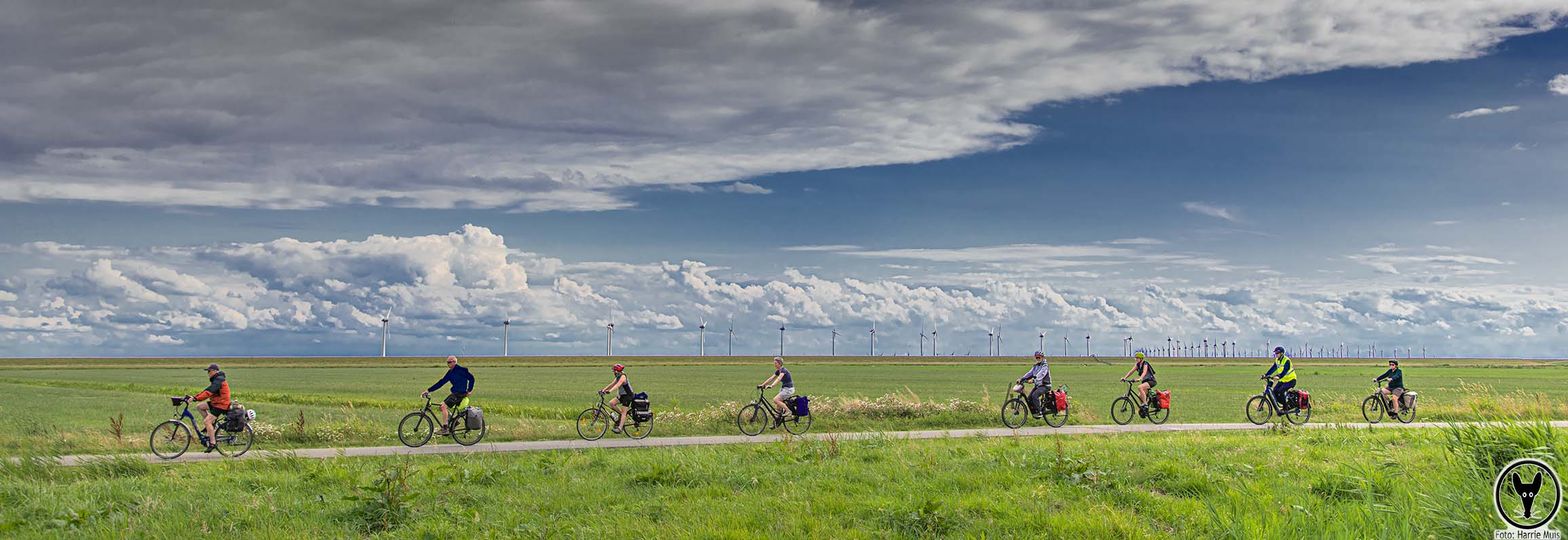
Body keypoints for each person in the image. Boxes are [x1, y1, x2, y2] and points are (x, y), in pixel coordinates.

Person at [421, 355, 474, 435]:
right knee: (441, 406)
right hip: (455, 393)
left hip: (460, 393)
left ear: (454, 362)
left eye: (449, 362)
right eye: (447, 362)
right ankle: (453, 422)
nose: (447, 364)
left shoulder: (462, 370)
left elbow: (472, 378)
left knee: (443, 406)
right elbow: (441, 382)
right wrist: (428, 390)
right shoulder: (450, 372)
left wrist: (469, 390)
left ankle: (445, 428)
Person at [187, 363, 230, 453]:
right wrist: (195, 397)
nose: (208, 373)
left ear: (214, 371)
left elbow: (209, 392)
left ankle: (212, 443)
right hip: (216, 402)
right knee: (200, 407)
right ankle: (210, 426)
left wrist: (195, 398)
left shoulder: (219, 380)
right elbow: (207, 390)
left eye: (209, 371)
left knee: (207, 421)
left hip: (221, 404)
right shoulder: (216, 379)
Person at [758, 357, 796, 423]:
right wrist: (762, 385)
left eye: (775, 363)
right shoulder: (778, 371)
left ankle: (788, 411)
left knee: (776, 400)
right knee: (778, 407)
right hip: (784, 389)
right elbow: (771, 378)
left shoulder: (783, 370)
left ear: (780, 363)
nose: (774, 364)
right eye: (774, 363)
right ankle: (777, 421)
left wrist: (772, 385)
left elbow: (778, 379)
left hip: (788, 389)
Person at [598, 363, 634, 433]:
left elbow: (617, 385)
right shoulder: (618, 376)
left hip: (627, 396)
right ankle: (622, 417)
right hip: (621, 395)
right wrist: (603, 390)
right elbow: (612, 384)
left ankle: (620, 428)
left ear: (617, 371)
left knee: (624, 412)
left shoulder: (623, 377)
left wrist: (610, 391)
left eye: (614, 371)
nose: (613, 372)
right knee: (611, 403)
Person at [1017, 351, 1053, 416]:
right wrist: (1022, 379)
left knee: (1034, 396)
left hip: (1045, 386)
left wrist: (1033, 380)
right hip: (1038, 386)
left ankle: (1039, 412)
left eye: (1039, 357)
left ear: (1042, 357)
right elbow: (1030, 373)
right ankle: (1035, 411)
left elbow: (1041, 375)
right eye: (1036, 358)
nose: (1038, 359)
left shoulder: (1045, 366)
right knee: (1029, 399)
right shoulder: (1036, 366)